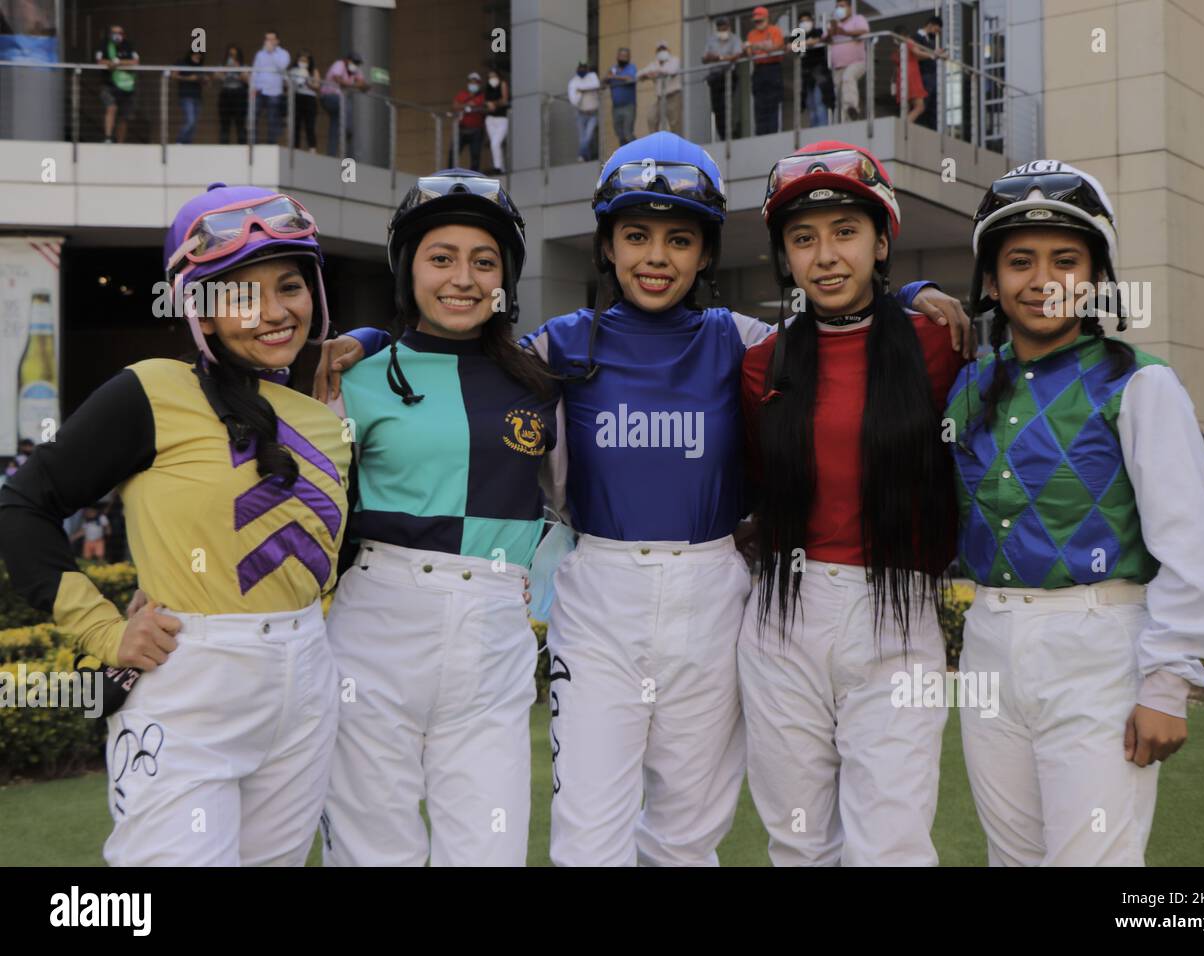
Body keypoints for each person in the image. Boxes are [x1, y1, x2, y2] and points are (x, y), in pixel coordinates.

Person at [318, 132, 969, 866]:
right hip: (599, 597)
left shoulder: (746, 341)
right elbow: (457, 348)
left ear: (705, 253)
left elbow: (839, 324)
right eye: (635, 236)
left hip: (715, 595)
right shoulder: (558, 346)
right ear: (606, 247)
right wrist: (374, 338)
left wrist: (913, 293)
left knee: (688, 835)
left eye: (678, 239)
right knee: (590, 835)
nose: (656, 258)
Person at [0, 182, 346, 865]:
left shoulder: (326, 418)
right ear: (202, 311)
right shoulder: (152, 390)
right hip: (189, 688)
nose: (275, 312)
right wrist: (104, 630)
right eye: (242, 294)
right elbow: (21, 504)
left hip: (308, 684)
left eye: (290, 285)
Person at [946, 160, 1204, 865]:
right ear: (990, 281)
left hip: (1100, 646)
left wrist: (1169, 681)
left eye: (1066, 260)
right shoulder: (969, 384)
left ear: (1098, 278)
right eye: (1019, 261)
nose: (1042, 279)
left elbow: (1190, 545)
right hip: (988, 639)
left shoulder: (1141, 381)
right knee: (1011, 858)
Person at [311, 173, 559, 867]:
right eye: (440, 257)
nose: (464, 278)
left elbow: (571, 505)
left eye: (484, 261)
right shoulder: (347, 379)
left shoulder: (543, 380)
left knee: (491, 850)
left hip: (494, 635)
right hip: (374, 631)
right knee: (371, 852)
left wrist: (535, 580)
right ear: (408, 269)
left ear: (506, 277)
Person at [739, 142, 968, 866]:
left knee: (891, 844)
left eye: (845, 232)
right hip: (782, 618)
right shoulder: (762, 360)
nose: (825, 256)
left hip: (896, 618)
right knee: (799, 841)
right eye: (803, 239)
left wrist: (915, 292)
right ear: (784, 255)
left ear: (881, 239)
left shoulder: (940, 342)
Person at [95, 24, 139, 144]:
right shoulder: (103, 46)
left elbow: (135, 61)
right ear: (110, 34)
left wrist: (117, 63)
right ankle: (108, 137)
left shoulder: (129, 45)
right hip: (108, 84)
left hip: (126, 86)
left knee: (124, 117)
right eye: (114, 32)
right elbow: (100, 61)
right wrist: (111, 63)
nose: (117, 35)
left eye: (120, 33)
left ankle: (120, 142)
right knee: (111, 107)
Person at [826, 0, 869, 122]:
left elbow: (864, 31)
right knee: (839, 93)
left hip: (857, 62)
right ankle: (846, 121)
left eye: (842, 6)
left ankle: (852, 107)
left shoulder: (858, 19)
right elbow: (824, 39)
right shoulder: (834, 24)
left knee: (848, 78)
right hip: (838, 66)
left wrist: (844, 32)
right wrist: (831, 32)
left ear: (850, 8)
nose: (839, 9)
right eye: (837, 7)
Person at [320, 52, 369, 157]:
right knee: (346, 103)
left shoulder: (355, 70)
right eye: (354, 62)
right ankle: (348, 128)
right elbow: (338, 80)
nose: (355, 65)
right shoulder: (339, 64)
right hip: (329, 97)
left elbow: (364, 86)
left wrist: (364, 85)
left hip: (339, 100)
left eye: (357, 63)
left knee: (335, 125)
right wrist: (356, 84)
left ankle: (331, 154)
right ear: (347, 60)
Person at [702, 17, 743, 141]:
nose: (722, 30)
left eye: (724, 27)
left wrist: (719, 58)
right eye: (719, 28)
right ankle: (723, 136)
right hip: (715, 77)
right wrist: (721, 58)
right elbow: (704, 58)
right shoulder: (711, 40)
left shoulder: (734, 39)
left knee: (729, 105)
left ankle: (733, 132)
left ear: (728, 27)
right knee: (717, 108)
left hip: (729, 75)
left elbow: (736, 56)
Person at [746, 6, 785, 135]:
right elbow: (750, 52)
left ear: (766, 18)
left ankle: (773, 132)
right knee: (759, 103)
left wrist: (760, 47)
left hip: (773, 68)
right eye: (756, 21)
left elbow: (778, 47)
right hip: (759, 69)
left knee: (773, 102)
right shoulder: (752, 34)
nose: (758, 23)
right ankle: (761, 133)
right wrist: (763, 48)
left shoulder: (775, 30)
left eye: (760, 20)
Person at [252, 30, 291, 145]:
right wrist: (252, 87)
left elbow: (282, 66)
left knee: (272, 119)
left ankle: (271, 144)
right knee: (253, 116)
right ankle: (252, 143)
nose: (268, 41)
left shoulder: (283, 53)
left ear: (277, 41)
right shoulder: (260, 54)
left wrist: (272, 53)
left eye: (271, 39)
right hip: (260, 90)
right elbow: (255, 71)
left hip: (274, 91)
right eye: (267, 39)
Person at [794, 12, 833, 128]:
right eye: (802, 21)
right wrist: (804, 42)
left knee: (819, 102)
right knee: (811, 105)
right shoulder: (798, 34)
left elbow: (819, 40)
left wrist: (805, 43)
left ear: (812, 21)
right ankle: (814, 129)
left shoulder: (818, 31)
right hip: (806, 76)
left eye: (807, 20)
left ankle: (822, 129)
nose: (804, 23)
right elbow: (792, 47)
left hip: (819, 73)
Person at [640, 42, 682, 134]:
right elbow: (639, 74)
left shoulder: (674, 60)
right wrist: (646, 75)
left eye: (663, 49)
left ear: (668, 50)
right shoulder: (654, 64)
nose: (661, 52)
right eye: (659, 50)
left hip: (673, 96)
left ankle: (677, 145)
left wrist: (657, 72)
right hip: (660, 98)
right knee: (651, 118)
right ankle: (656, 143)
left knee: (674, 123)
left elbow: (672, 71)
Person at [452, 72, 487, 171]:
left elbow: (485, 107)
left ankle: (474, 176)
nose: (473, 85)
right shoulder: (462, 94)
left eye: (475, 83)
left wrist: (474, 106)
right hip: (462, 129)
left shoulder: (482, 96)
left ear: (479, 84)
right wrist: (467, 105)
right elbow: (455, 106)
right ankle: (450, 173)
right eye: (471, 82)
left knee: (475, 155)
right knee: (453, 152)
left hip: (476, 130)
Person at [568, 61, 601, 162]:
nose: (582, 70)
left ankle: (582, 155)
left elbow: (596, 85)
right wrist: (581, 94)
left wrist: (581, 89)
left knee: (588, 136)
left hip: (593, 113)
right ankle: (586, 157)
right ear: (577, 69)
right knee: (583, 138)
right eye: (580, 68)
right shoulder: (573, 82)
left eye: (584, 68)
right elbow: (574, 101)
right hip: (581, 114)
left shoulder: (592, 76)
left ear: (587, 69)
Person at [914, 15, 943, 129]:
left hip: (932, 75)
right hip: (924, 75)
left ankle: (933, 130)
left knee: (933, 106)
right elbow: (917, 54)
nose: (936, 33)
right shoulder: (917, 36)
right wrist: (933, 54)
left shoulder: (930, 40)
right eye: (936, 30)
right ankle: (919, 127)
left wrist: (938, 53)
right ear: (930, 25)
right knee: (923, 104)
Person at [217, 44, 249, 145]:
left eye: (235, 55)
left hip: (239, 94)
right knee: (224, 123)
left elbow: (247, 79)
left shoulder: (243, 66)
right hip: (226, 93)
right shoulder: (223, 65)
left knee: (240, 123)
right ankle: (223, 146)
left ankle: (242, 146)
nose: (232, 57)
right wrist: (226, 69)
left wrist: (238, 69)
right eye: (231, 55)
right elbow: (217, 76)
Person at [290, 49, 321, 152]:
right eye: (301, 60)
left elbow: (317, 86)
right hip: (297, 97)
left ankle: (312, 148)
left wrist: (308, 82)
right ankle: (296, 147)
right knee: (296, 124)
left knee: (310, 125)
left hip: (309, 98)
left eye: (305, 61)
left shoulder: (313, 71)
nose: (303, 63)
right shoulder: (293, 70)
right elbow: (287, 84)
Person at [174, 49, 206, 145]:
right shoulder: (182, 63)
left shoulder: (200, 66)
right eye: (196, 54)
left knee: (194, 123)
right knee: (190, 120)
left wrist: (204, 80)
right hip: (186, 96)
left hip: (197, 97)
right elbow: (173, 75)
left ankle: (188, 143)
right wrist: (189, 78)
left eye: (200, 55)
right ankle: (180, 141)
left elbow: (206, 83)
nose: (198, 56)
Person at [606, 48, 637, 145]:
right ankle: (625, 157)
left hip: (628, 106)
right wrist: (606, 78)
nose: (622, 58)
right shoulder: (613, 69)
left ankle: (639, 154)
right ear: (617, 57)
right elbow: (605, 81)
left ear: (629, 58)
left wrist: (614, 77)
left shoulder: (631, 67)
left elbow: (630, 78)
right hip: (616, 107)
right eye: (621, 56)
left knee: (628, 133)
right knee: (620, 134)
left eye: (625, 56)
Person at [483, 69, 510, 174]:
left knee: (495, 143)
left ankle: (497, 167)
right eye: (490, 77)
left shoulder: (502, 84)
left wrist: (494, 104)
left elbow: (504, 100)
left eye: (494, 76)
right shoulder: (487, 88)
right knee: (494, 145)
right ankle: (501, 167)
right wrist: (488, 105)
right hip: (490, 119)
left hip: (501, 118)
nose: (492, 78)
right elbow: (485, 102)